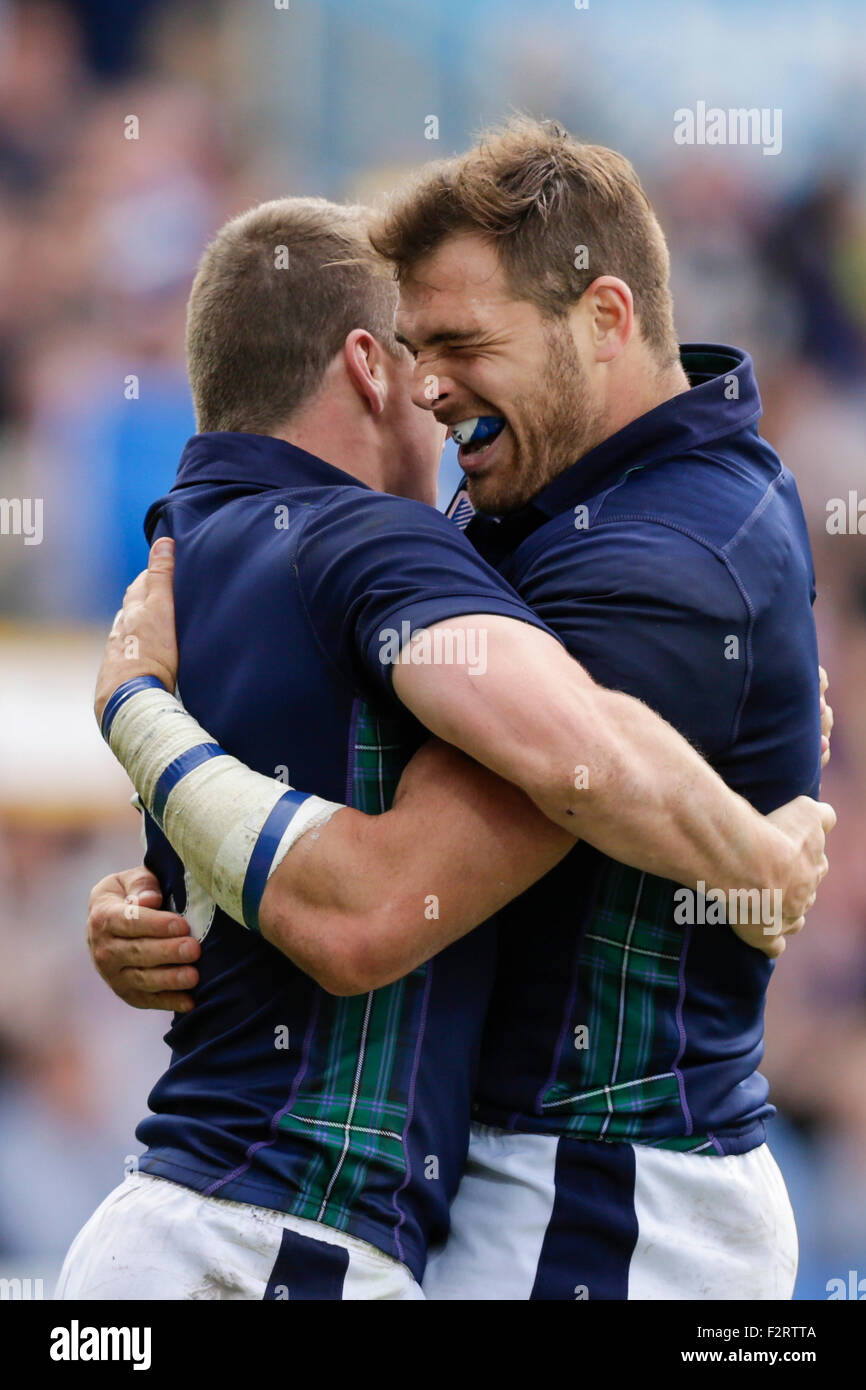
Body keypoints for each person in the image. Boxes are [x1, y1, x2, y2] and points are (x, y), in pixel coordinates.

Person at [81, 122, 833, 1300]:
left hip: (600, 1203)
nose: (429, 385)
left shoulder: (658, 563)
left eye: (462, 343)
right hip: (461, 1199)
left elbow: (367, 908)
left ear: (605, 319)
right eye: (415, 344)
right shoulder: (520, 509)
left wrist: (141, 718)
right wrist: (166, 893)